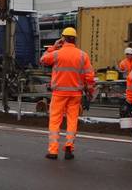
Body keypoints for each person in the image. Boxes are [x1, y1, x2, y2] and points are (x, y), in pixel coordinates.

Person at [40, 27, 95, 160]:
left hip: (59, 93)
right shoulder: (83, 55)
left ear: (63, 39)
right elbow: (89, 76)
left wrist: (53, 47)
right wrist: (90, 91)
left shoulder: (57, 54)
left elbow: (43, 59)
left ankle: (53, 151)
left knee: (55, 121)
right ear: (75, 39)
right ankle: (69, 147)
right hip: (75, 94)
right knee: (72, 120)